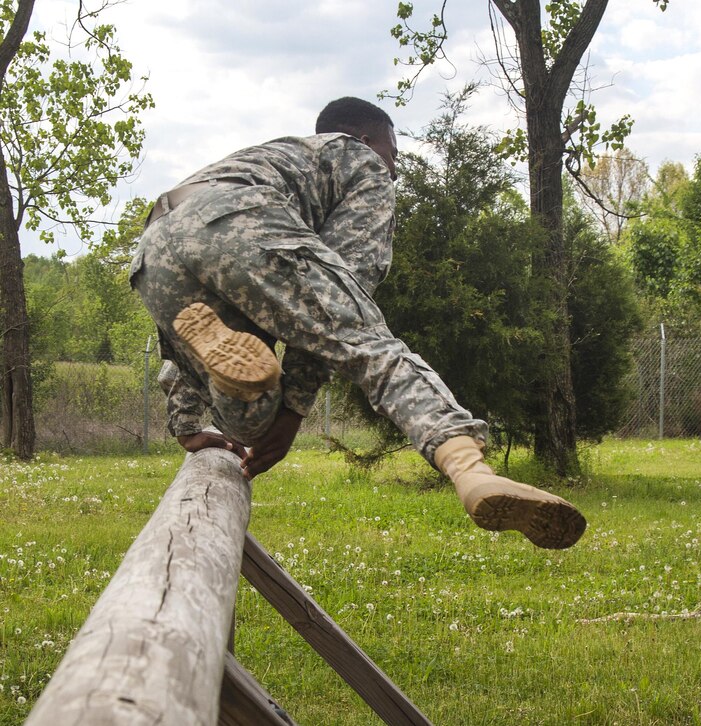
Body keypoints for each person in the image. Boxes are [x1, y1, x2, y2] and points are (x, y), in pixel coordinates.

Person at [129, 97, 586, 549]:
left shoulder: (273, 154)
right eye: (394, 153)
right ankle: (471, 471)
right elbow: (353, 284)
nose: (395, 169)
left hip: (154, 248)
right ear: (366, 139)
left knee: (248, 423)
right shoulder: (358, 158)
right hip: (240, 220)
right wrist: (295, 410)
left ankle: (233, 384)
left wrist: (186, 424)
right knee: (370, 348)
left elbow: (195, 286)